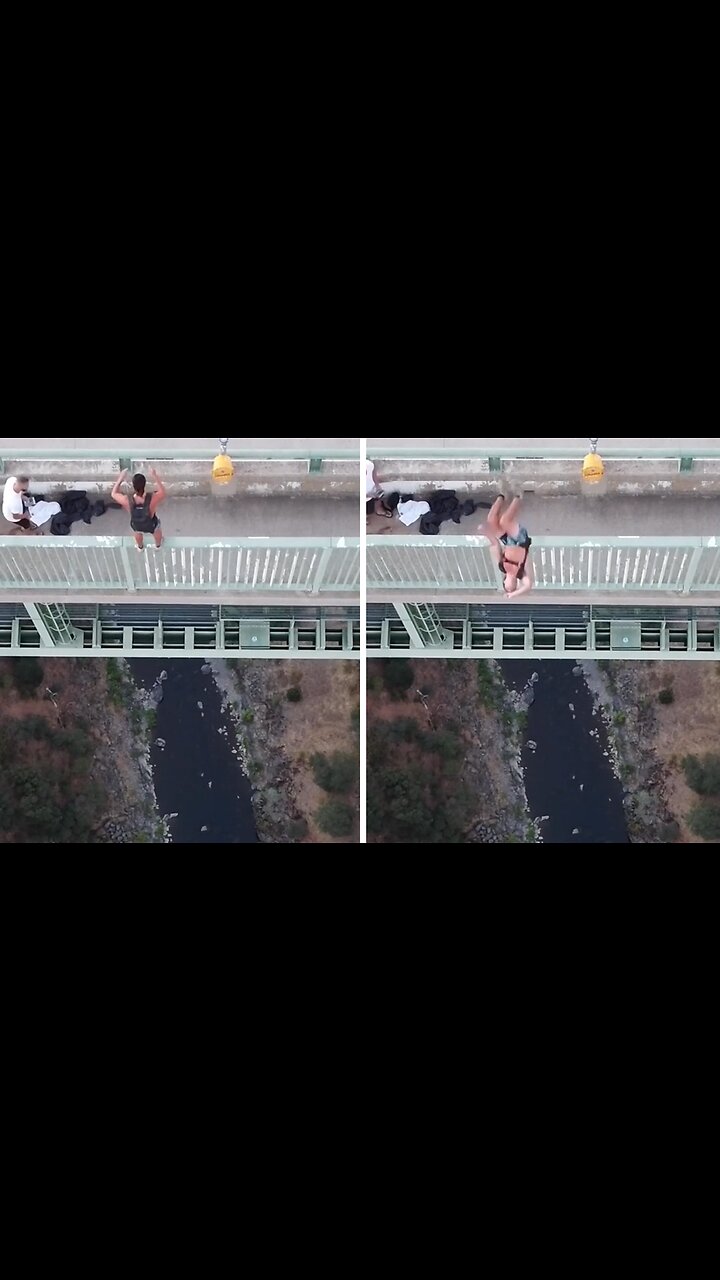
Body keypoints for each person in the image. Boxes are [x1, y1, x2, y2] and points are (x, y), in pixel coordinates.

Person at [483, 494, 534, 598]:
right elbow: (528, 585)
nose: (510, 587)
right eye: (513, 587)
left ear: (504, 580)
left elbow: (495, 544)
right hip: (521, 541)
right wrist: (513, 595)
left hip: (507, 541)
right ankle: (517, 497)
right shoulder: (520, 573)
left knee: (491, 520)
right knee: (504, 521)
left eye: (507, 587)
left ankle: (500, 497)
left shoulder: (502, 566)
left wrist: (485, 532)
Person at [111, 467, 167, 549]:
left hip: (137, 524)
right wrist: (154, 475)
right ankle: (158, 545)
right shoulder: (152, 498)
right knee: (156, 530)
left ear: (133, 486)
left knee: (137, 532)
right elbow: (163, 492)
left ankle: (140, 546)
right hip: (151, 524)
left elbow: (113, 493)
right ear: (144, 484)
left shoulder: (127, 500)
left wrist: (121, 478)